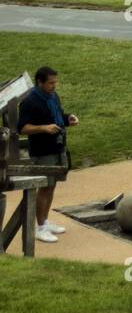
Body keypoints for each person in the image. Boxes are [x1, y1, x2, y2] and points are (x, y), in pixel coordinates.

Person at [16, 65, 79, 245]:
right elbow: (22, 127)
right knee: (44, 188)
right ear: (40, 82)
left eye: (55, 82)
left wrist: (68, 119)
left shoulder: (53, 97)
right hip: (42, 151)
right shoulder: (30, 102)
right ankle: (40, 228)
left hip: (57, 147)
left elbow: (57, 115)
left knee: (51, 187)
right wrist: (44, 128)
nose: (54, 85)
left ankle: (44, 221)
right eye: (51, 83)